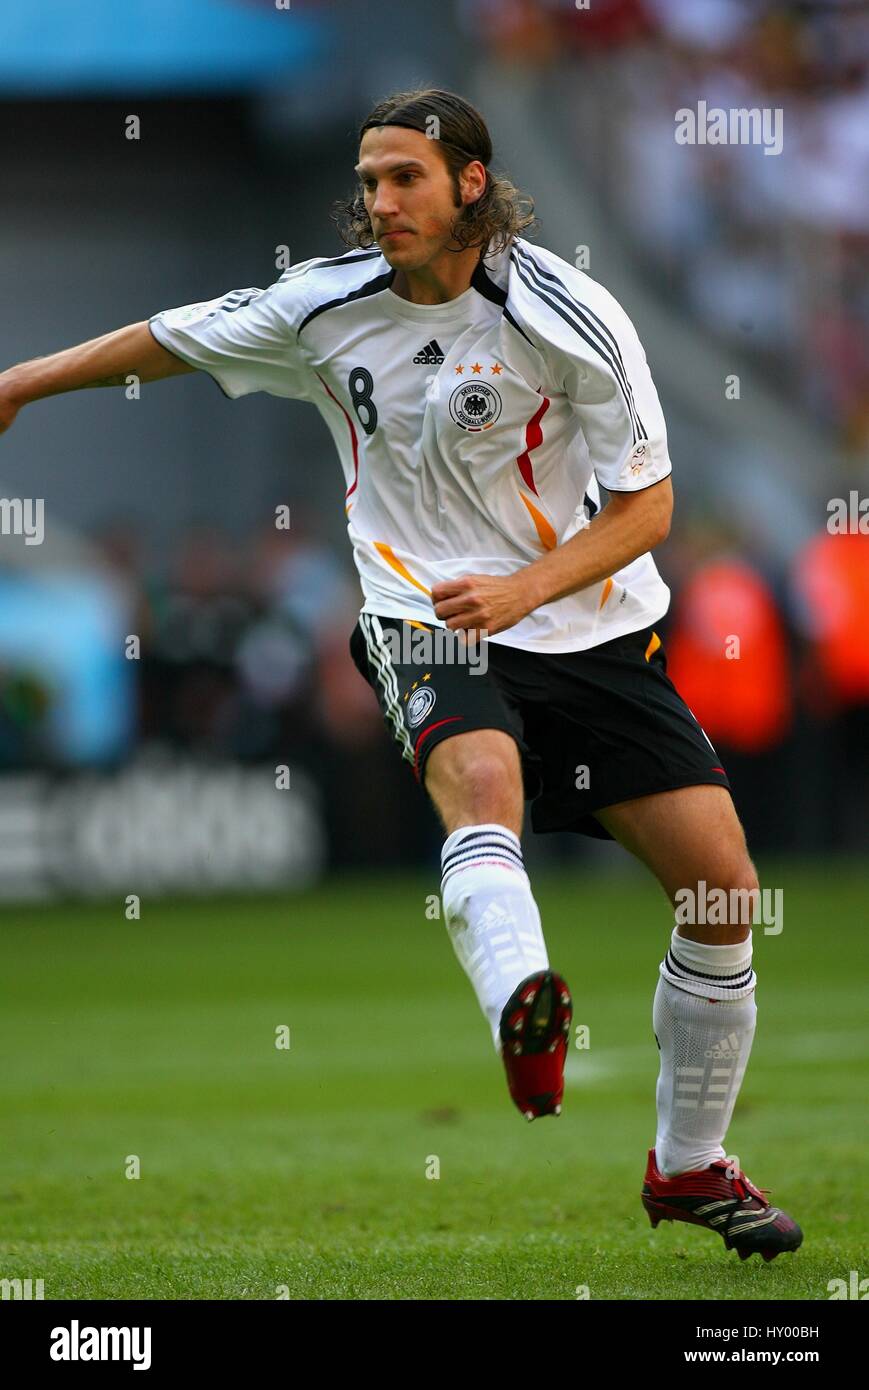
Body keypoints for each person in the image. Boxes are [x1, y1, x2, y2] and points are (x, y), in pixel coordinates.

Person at [0, 87, 801, 1262]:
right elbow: (169, 337)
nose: (377, 202)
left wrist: (527, 590)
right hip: (419, 613)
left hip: (584, 626)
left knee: (722, 888)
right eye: (369, 181)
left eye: (402, 180)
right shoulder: (320, 304)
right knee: (482, 786)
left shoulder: (569, 314)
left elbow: (650, 508)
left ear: (470, 183)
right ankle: (524, 1008)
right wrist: (21, 383)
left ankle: (686, 1168)